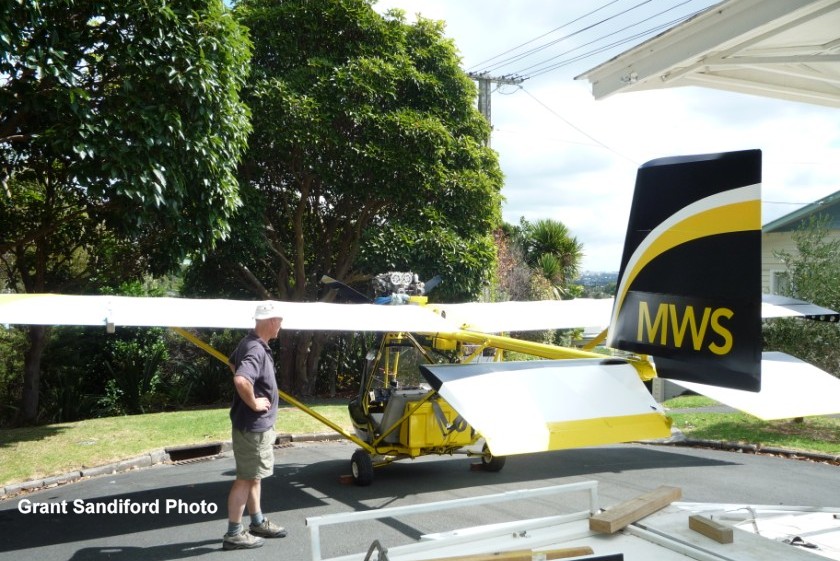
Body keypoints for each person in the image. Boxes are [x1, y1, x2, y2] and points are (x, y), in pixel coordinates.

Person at [222, 302, 287, 550]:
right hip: (253, 428)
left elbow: (232, 364)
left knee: (253, 476)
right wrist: (254, 402)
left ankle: (257, 522)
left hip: (253, 427)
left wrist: (253, 394)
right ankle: (234, 534)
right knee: (245, 479)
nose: (281, 326)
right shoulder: (255, 349)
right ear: (271, 322)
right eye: (279, 321)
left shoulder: (250, 344)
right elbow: (240, 378)